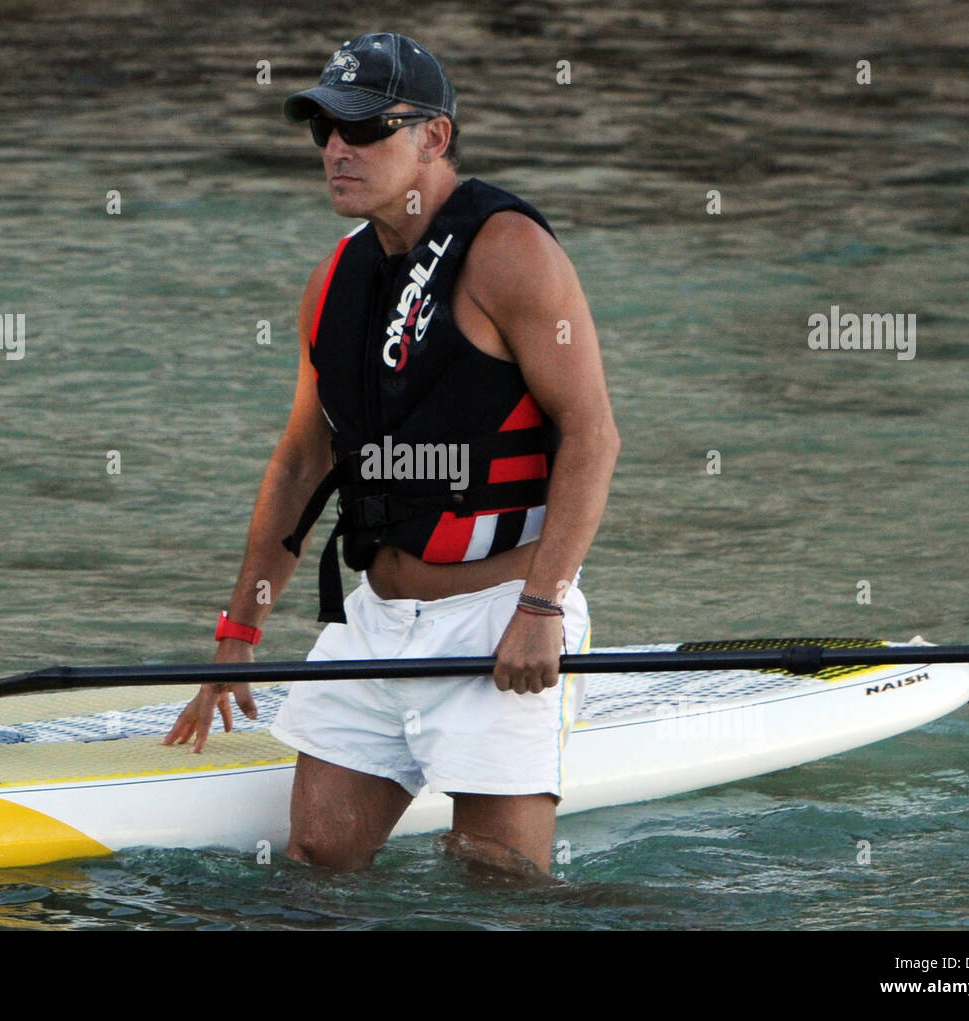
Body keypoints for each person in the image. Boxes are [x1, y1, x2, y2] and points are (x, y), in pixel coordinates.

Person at [164, 32, 620, 876]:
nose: (339, 148)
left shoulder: (509, 252)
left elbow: (593, 435)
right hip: (374, 623)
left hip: (498, 618)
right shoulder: (333, 279)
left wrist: (543, 610)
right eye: (325, 129)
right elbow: (302, 462)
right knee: (313, 860)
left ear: (434, 137)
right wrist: (237, 630)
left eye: (366, 128)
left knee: (498, 883)